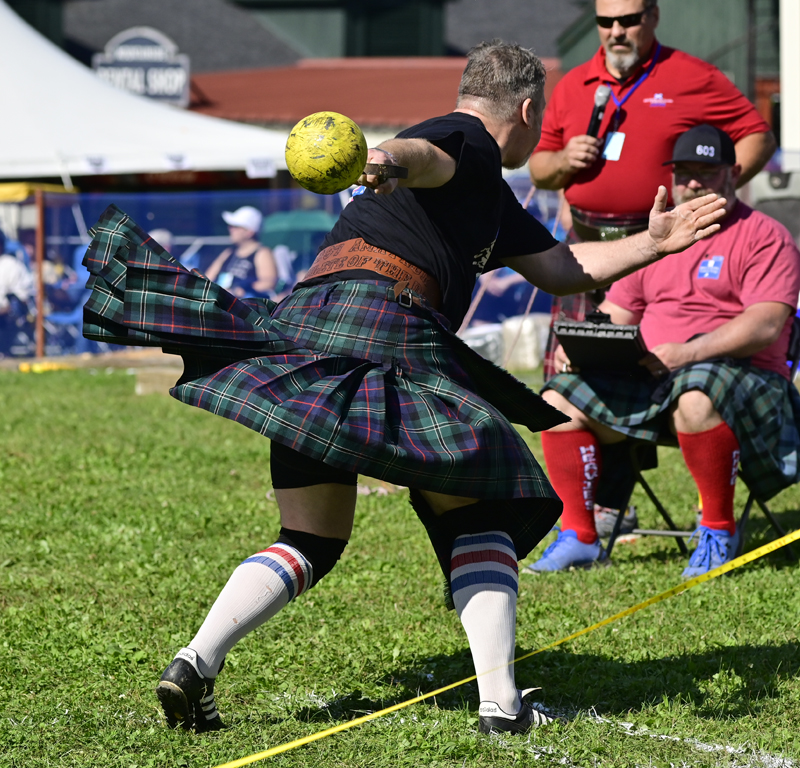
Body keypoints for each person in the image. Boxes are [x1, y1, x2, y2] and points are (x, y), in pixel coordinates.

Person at [81, 41, 725, 736]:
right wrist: (383, 161)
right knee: (481, 511)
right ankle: (503, 707)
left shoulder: (489, 200)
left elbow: (562, 266)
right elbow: (421, 153)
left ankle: (195, 662)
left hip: (311, 326)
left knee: (309, 535)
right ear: (530, 109)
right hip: (387, 327)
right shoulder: (467, 141)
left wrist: (654, 243)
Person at [528, 0, 776, 532]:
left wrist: (718, 195)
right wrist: (562, 161)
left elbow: (757, 133)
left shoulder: (693, 75)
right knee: (579, 365)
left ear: (653, 18)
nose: (617, 31)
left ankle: (614, 506)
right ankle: (587, 514)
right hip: (586, 246)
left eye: (630, 19)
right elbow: (538, 165)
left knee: (650, 369)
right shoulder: (574, 84)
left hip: (663, 240)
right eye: (606, 21)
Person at [528, 125, 800, 577]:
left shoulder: (766, 236)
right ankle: (579, 536)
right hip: (657, 378)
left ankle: (717, 531)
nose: (693, 182)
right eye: (684, 173)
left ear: (734, 173)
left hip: (747, 383)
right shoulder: (658, 238)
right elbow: (617, 309)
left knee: (696, 395)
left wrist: (687, 353)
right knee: (557, 401)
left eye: (706, 172)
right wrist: (584, 346)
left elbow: (767, 324)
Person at [204, 205, 278, 298]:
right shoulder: (228, 253)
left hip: (244, 306)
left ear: (249, 232)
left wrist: (241, 290)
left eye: (235, 226)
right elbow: (206, 279)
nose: (230, 229)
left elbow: (269, 283)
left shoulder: (262, 253)